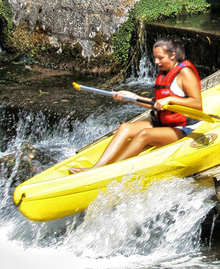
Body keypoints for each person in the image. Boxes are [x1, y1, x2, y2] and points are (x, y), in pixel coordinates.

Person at [69, 38, 202, 172]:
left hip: (184, 128)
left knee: (144, 134)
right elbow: (155, 104)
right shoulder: (164, 72)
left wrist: (170, 99)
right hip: (164, 124)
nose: (156, 62)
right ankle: (96, 168)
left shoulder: (185, 73)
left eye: (160, 58)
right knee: (125, 127)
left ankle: (110, 171)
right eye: (155, 57)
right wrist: (131, 97)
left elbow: (196, 103)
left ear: (173, 55)